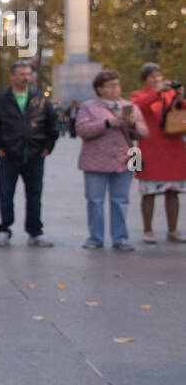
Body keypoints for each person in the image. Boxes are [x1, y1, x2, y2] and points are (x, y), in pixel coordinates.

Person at [0, 60, 60, 247]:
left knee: (35, 194)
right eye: (22, 74)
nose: (26, 77)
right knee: (6, 194)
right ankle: (4, 229)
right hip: (9, 155)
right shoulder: (0, 100)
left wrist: (47, 146)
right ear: (12, 76)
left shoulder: (40, 99)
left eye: (28, 74)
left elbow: (52, 125)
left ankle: (35, 231)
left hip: (34, 155)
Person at [76, 69, 147, 250]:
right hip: (95, 161)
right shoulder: (88, 107)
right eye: (111, 85)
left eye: (117, 85)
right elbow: (82, 130)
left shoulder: (129, 106)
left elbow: (144, 133)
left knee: (120, 200)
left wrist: (132, 123)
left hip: (123, 160)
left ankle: (120, 238)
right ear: (100, 89)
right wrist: (107, 123)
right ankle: (95, 238)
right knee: (95, 200)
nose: (116, 89)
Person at [130, 62, 186, 243]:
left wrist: (180, 99)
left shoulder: (171, 95)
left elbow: (181, 115)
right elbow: (138, 106)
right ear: (144, 80)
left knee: (173, 192)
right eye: (151, 76)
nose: (156, 79)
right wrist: (157, 92)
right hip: (149, 150)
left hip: (174, 149)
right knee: (148, 192)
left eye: (158, 75)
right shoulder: (139, 95)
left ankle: (173, 230)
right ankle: (148, 230)